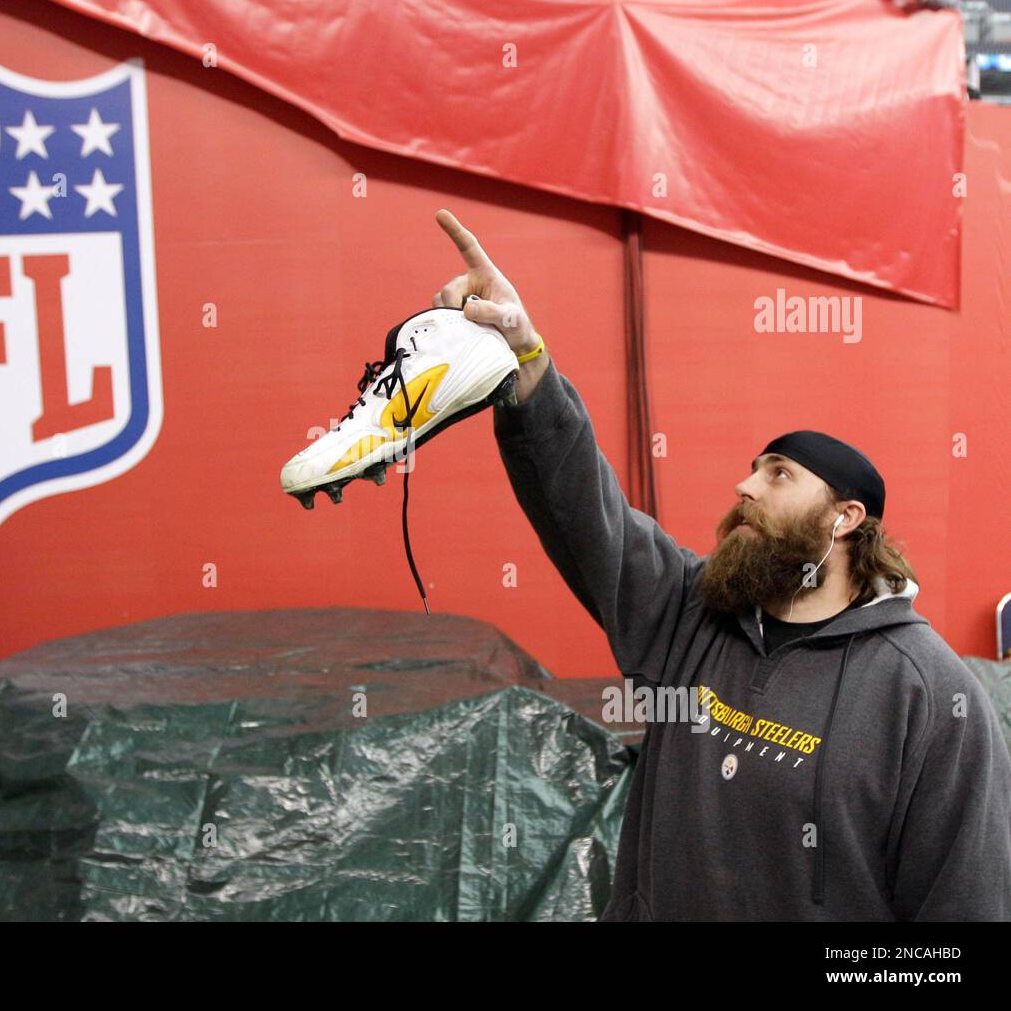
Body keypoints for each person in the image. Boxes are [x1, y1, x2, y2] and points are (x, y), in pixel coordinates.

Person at [432, 208, 1011, 921]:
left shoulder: (930, 696)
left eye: (778, 474)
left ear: (845, 518)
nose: (745, 487)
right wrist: (525, 363)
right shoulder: (690, 613)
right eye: (751, 470)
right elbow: (588, 513)